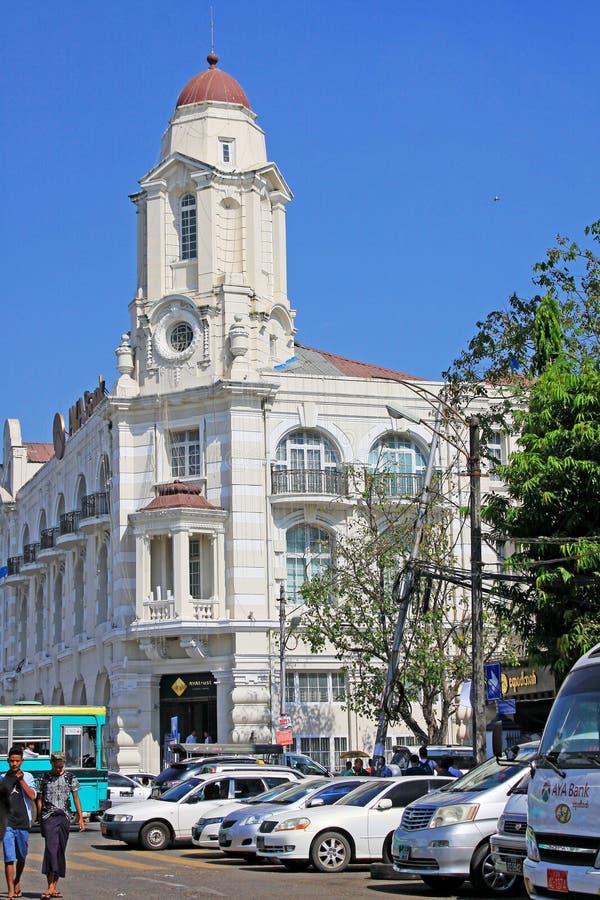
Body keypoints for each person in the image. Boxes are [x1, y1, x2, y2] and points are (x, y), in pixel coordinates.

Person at [36, 751, 85, 900]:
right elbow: (39, 799)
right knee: (51, 850)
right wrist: (41, 818)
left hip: (64, 817)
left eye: (61, 766)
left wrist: (80, 818)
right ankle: (50, 887)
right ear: (51, 763)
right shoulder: (44, 778)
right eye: (56, 766)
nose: (58, 769)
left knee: (59, 851)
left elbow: (76, 798)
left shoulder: (70, 777)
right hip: (48, 817)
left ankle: (53, 887)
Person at [0, 745, 37, 900]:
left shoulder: (28, 777)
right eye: (11, 761)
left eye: (17, 761)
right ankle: (10, 890)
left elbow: (32, 796)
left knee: (21, 856)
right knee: (9, 857)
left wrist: (21, 781)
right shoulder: (2, 777)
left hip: (22, 822)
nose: (14, 763)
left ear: (22, 761)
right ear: (8, 761)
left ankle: (17, 881)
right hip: (7, 823)